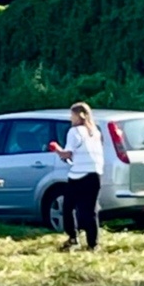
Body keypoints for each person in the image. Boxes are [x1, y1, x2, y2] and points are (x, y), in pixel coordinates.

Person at [58, 102, 104, 251]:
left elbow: (68, 154)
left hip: (78, 174)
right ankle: (93, 244)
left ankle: (73, 237)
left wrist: (57, 150)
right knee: (90, 210)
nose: (70, 119)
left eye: (72, 115)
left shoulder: (74, 132)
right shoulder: (95, 132)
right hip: (95, 173)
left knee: (68, 207)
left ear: (78, 116)